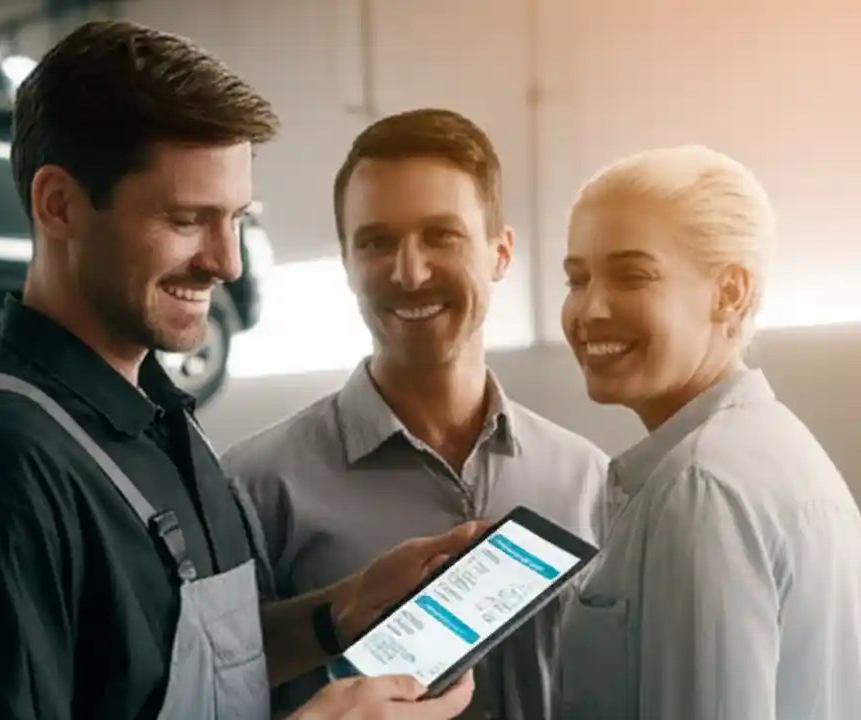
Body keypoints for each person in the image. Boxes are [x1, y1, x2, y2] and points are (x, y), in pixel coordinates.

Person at [0, 20, 477, 720]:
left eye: (236, 218)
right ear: (58, 204)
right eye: (187, 219)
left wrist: (339, 612)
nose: (228, 262)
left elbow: (160, 671)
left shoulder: (161, 424)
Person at [222, 108, 609, 719]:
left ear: (500, 253)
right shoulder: (254, 487)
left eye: (441, 235)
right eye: (376, 241)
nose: (410, 271)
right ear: (347, 264)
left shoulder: (587, 480)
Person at [555, 145, 861, 719]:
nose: (591, 308)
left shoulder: (700, 487)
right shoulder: (780, 452)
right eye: (577, 278)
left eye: (632, 275)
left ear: (730, 292)